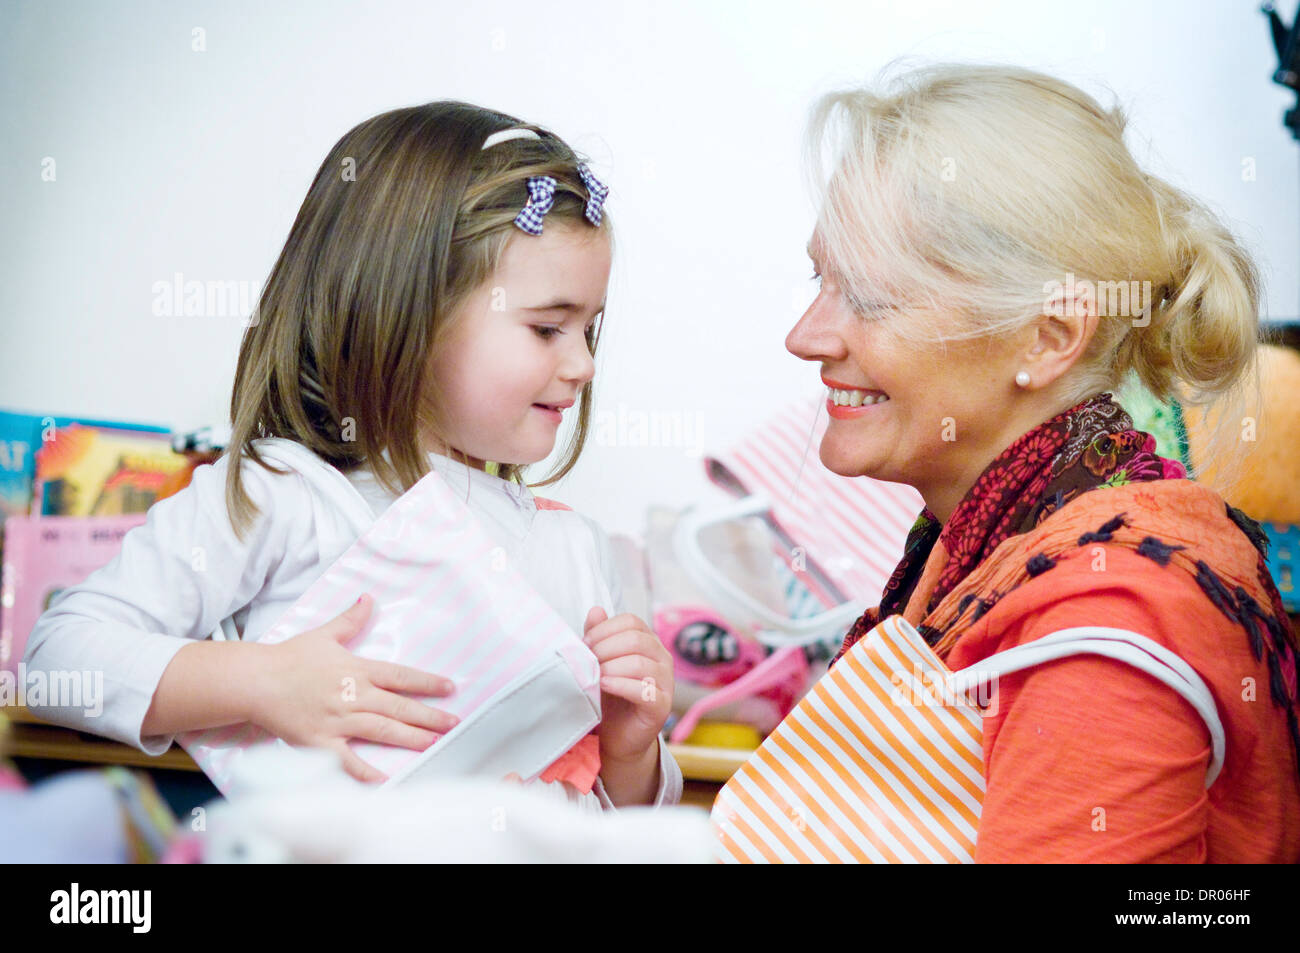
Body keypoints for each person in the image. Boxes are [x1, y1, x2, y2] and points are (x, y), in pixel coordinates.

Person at [24, 102, 680, 811]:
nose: (583, 365)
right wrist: (263, 681)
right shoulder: (287, 497)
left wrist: (632, 752)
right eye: (548, 328)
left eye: (590, 329)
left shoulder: (578, 553)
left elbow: (612, 824)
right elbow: (59, 657)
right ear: (408, 313)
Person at [785, 63, 1300, 862]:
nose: (805, 336)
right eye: (821, 279)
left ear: (1049, 338)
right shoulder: (986, 545)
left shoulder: (1103, 626)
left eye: (871, 298)